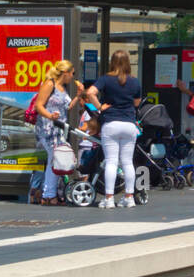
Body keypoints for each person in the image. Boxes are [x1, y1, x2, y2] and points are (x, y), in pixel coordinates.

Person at [86, 50, 143, 208]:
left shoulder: (106, 79)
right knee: (127, 161)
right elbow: (137, 103)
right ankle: (129, 197)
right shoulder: (134, 81)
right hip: (129, 124)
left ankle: (109, 198)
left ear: (112, 61)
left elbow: (90, 92)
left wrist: (100, 107)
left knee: (111, 161)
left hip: (110, 123)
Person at [31, 60, 83, 205]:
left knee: (54, 160)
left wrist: (78, 96)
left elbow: (67, 107)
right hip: (48, 128)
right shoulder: (50, 84)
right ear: (65, 73)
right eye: (72, 73)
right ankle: (49, 195)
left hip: (59, 128)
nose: (73, 76)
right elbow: (38, 105)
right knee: (55, 158)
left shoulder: (62, 87)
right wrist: (50, 116)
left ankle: (49, 194)